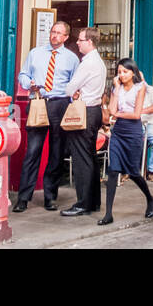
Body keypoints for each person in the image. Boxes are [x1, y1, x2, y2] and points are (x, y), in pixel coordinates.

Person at [13, 20, 78, 213]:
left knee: (56, 153)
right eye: (52, 32)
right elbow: (22, 74)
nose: (54, 35)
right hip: (39, 102)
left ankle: (50, 197)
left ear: (66, 37)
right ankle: (23, 198)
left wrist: (72, 108)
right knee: (32, 151)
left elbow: (74, 85)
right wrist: (28, 83)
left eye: (59, 33)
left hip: (60, 104)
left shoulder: (72, 58)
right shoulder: (36, 53)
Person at [97, 58, 153, 225]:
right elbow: (110, 110)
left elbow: (136, 115)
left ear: (133, 73)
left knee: (133, 172)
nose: (121, 75)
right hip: (119, 132)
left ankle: (150, 199)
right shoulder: (118, 88)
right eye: (119, 72)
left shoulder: (140, 87)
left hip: (133, 132)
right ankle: (108, 214)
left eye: (125, 72)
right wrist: (116, 89)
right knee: (113, 170)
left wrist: (118, 114)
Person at [59, 27, 107, 217]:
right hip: (94, 110)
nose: (77, 43)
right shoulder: (98, 62)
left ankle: (83, 203)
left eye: (80, 40)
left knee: (81, 158)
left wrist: (73, 91)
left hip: (84, 111)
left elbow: (70, 88)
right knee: (90, 156)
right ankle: (93, 201)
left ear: (90, 42)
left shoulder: (88, 63)